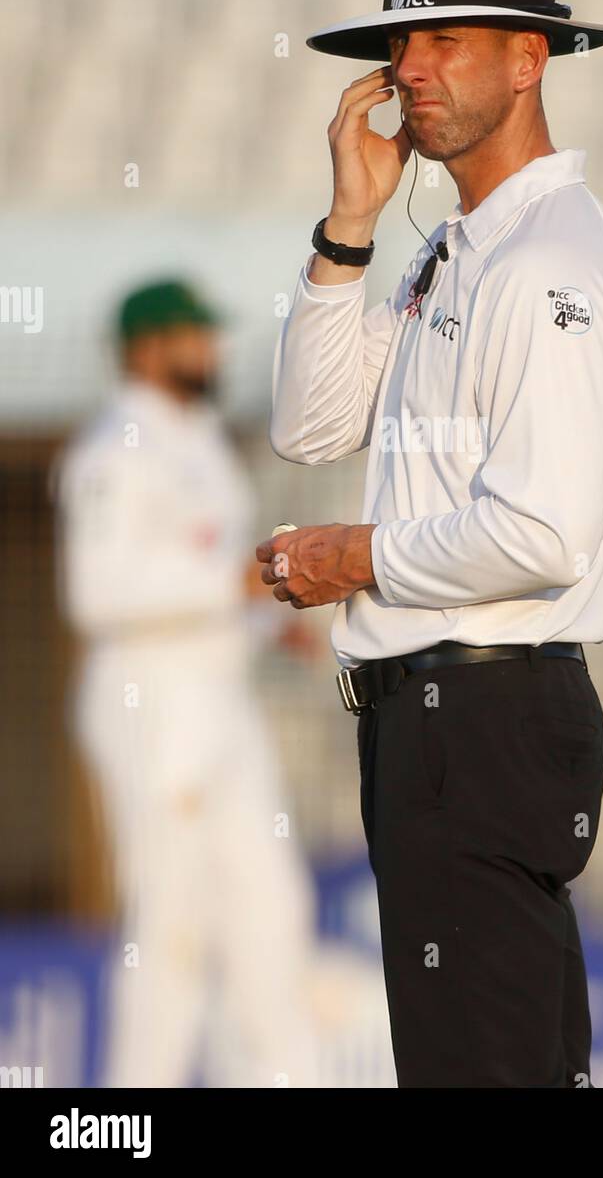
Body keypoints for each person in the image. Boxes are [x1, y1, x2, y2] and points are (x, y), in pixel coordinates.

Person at [260, 0, 603, 1087]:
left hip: (476, 714)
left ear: (530, 59)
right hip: (450, 718)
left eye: (445, 36)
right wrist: (349, 228)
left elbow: (541, 533)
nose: (411, 67)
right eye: (400, 41)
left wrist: (349, 554)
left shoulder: (542, 263)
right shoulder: (463, 249)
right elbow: (310, 421)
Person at [56, 280, 316, 1087]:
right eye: (194, 338)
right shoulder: (111, 452)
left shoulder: (198, 439)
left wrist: (275, 619)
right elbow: (96, 595)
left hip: (221, 707)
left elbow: (221, 579)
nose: (212, 353)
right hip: (153, 710)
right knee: (170, 929)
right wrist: (229, 582)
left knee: (271, 916)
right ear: (146, 348)